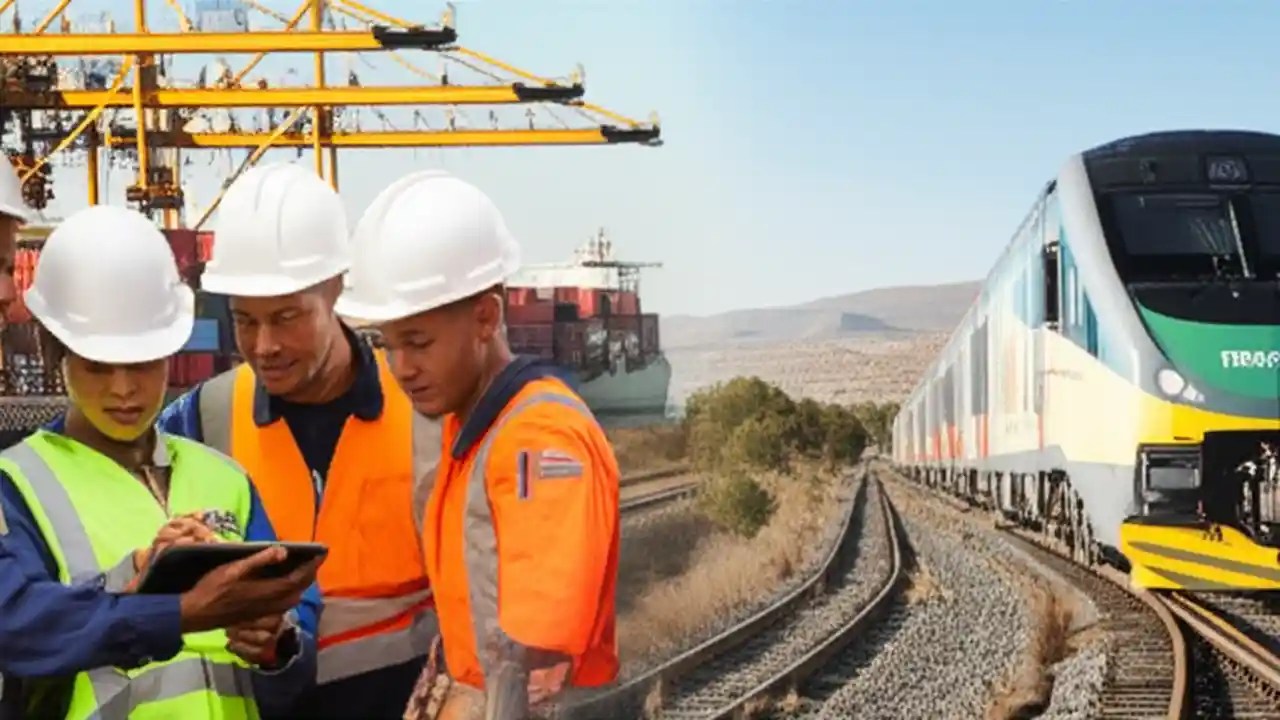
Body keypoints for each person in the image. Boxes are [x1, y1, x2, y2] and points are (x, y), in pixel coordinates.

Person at [0, 204, 323, 719]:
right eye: (98, 367)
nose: (124, 389)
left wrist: (276, 645)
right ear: (54, 350)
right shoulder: (17, 485)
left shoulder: (225, 477)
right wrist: (149, 587)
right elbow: (23, 630)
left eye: (144, 363)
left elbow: (297, 632)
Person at [335, 170, 621, 720]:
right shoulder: (473, 427)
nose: (401, 368)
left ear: (486, 317)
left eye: (418, 342)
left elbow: (535, 667)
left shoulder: (537, 439)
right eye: (386, 345)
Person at [157, 161, 436, 719]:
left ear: (334, 288)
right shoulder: (202, 417)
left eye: (286, 317)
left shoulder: (426, 412)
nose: (264, 346)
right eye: (245, 320)